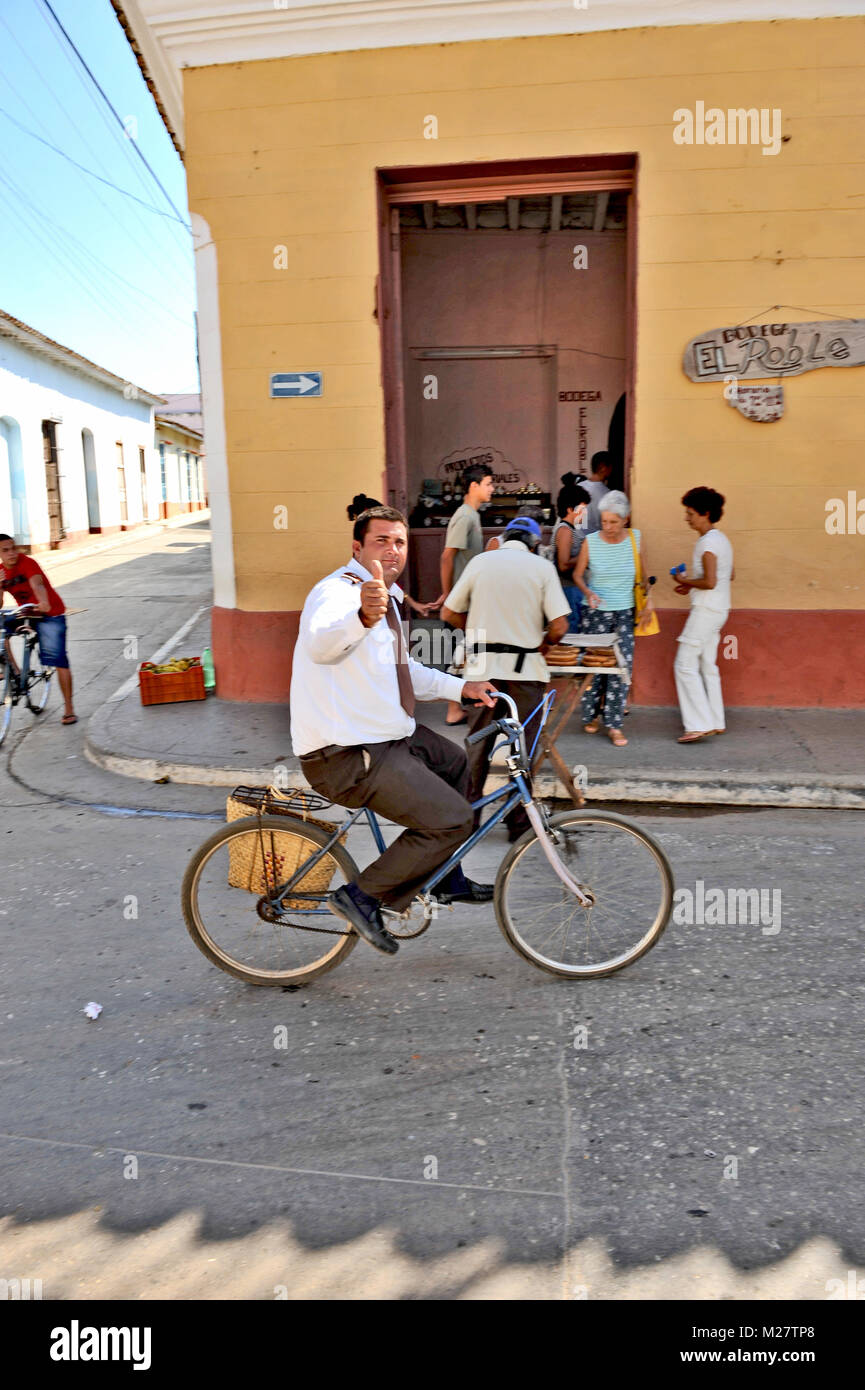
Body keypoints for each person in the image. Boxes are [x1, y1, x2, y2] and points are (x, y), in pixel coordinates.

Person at [291, 505, 499, 956]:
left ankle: (446, 878)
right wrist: (362, 617)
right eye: (381, 540)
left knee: (455, 760)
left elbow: (409, 675)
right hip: (344, 754)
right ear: (357, 548)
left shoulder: (389, 600)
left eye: (399, 542)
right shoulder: (340, 593)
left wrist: (464, 687)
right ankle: (359, 897)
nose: (392, 550)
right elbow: (321, 643)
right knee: (453, 820)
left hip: (382, 735)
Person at [441, 516, 570, 841]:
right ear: (534, 543)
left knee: (478, 747)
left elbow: (449, 613)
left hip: (482, 673)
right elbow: (559, 628)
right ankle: (518, 822)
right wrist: (542, 642)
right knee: (522, 748)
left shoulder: (481, 562)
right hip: (525, 675)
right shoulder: (542, 567)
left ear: (504, 537)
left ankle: (465, 820)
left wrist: (476, 633)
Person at [572, 491, 652, 748]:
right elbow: (577, 575)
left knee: (621, 668)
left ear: (625, 519)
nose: (608, 527)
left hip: (624, 614)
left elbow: (643, 577)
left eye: (614, 522)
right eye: (604, 521)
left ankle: (614, 725)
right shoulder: (591, 542)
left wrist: (648, 602)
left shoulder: (635, 539)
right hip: (594, 613)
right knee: (594, 668)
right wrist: (588, 592)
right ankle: (591, 714)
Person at [673, 486, 734, 743]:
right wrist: (691, 584)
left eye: (690, 513)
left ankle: (698, 724)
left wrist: (684, 579)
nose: (687, 518)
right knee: (707, 664)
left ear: (705, 513)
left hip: (706, 609)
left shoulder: (707, 543)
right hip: (720, 608)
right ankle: (715, 720)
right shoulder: (721, 540)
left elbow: (710, 582)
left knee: (684, 663)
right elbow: (727, 575)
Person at [435, 464, 495, 725]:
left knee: (467, 652)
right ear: (474, 486)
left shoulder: (473, 515)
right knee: (461, 653)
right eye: (488, 483)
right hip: (461, 602)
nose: (492, 488)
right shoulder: (465, 517)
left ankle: (462, 706)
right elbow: (447, 557)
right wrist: (449, 596)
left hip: (468, 598)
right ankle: (453, 709)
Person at [0, 533, 76, 724]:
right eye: (5, 550)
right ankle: (16, 672)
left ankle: (69, 708)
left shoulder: (27, 563)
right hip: (26, 613)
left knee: (58, 659)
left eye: (13, 547)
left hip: (50, 613)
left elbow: (37, 583)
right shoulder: (1, 571)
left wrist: (43, 601)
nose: (12, 553)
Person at [550, 474, 590, 633]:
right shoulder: (565, 530)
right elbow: (563, 564)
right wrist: (585, 556)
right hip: (568, 590)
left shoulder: (572, 529)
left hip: (573, 590)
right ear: (569, 509)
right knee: (572, 635)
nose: (585, 513)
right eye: (582, 509)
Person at [581, 452, 612, 534]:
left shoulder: (577, 487)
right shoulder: (608, 494)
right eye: (610, 467)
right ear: (603, 468)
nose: (611, 470)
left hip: (575, 541)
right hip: (595, 543)